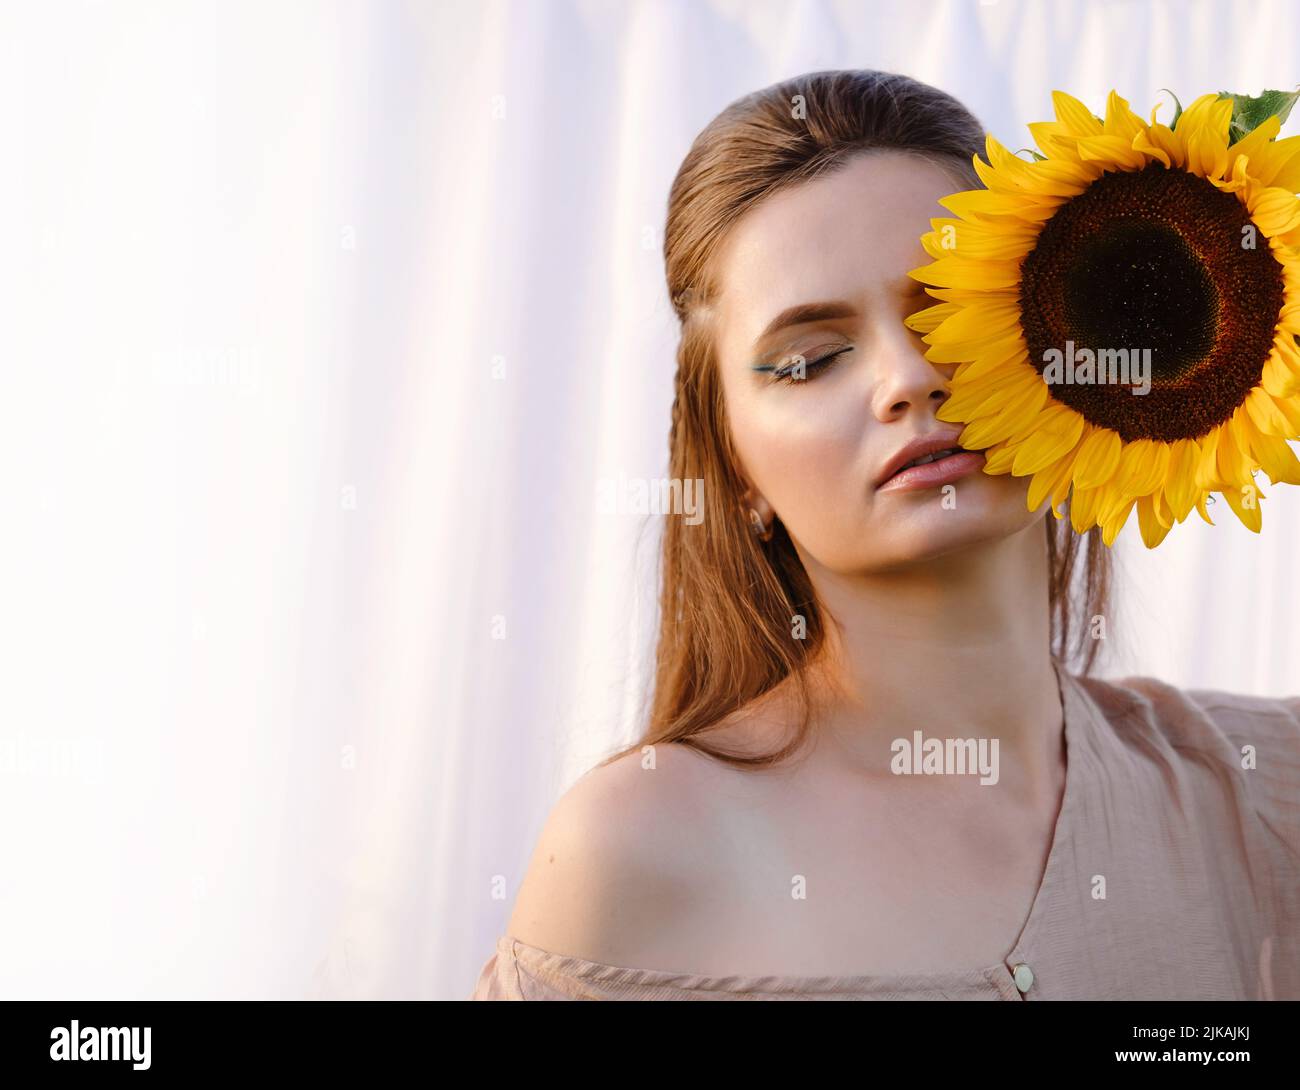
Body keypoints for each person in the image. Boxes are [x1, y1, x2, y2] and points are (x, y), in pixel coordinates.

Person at [471, 69, 1300, 1001]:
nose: (907, 376)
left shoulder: (1262, 791)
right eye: (812, 360)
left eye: (950, 311)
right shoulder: (638, 850)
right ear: (737, 468)